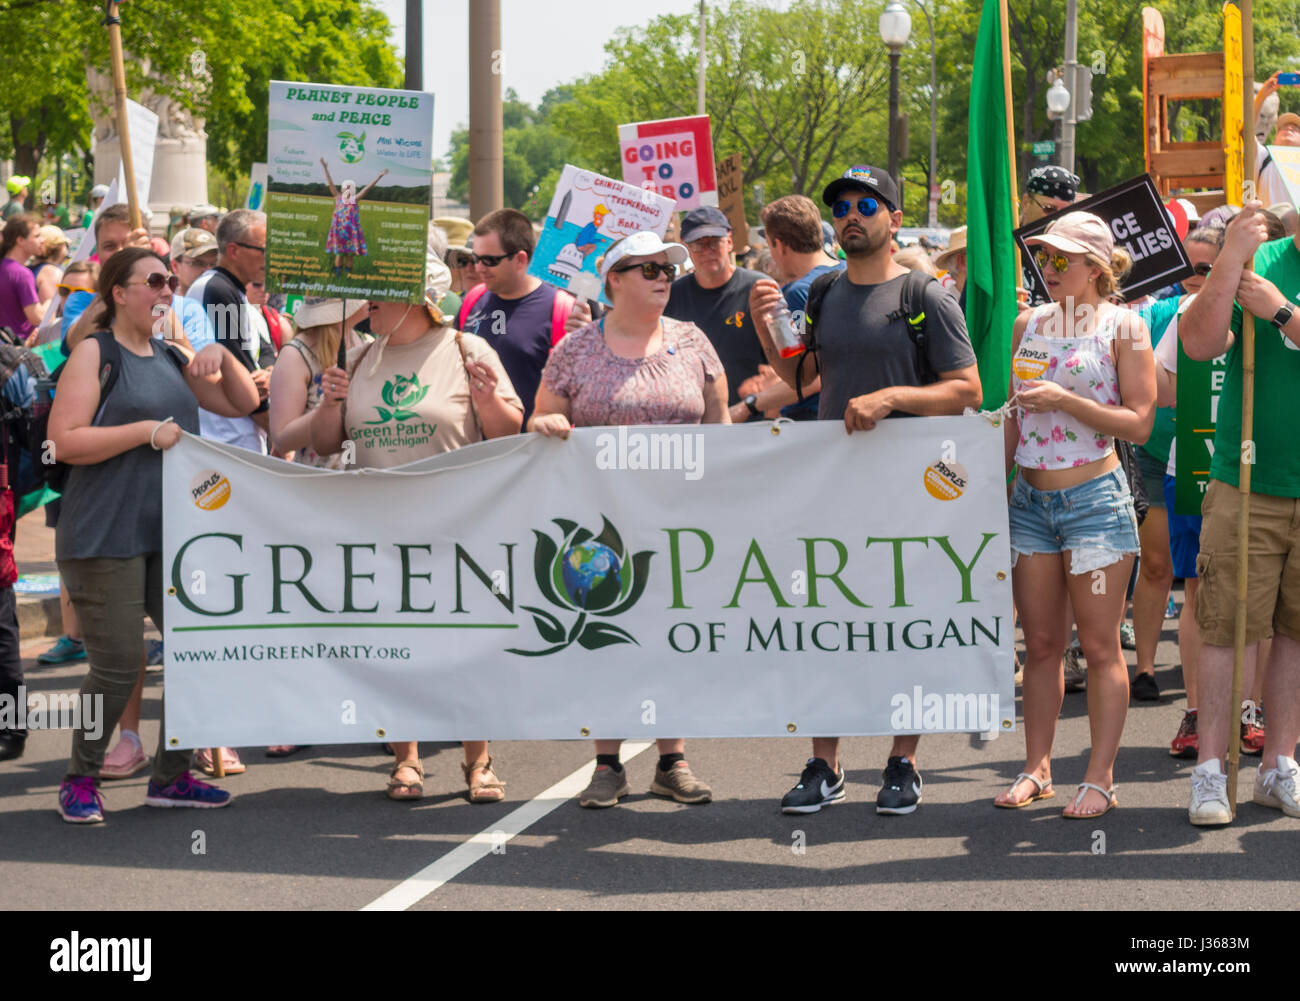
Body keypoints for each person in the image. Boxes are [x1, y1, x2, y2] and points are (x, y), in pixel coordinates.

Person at [750, 164, 982, 816]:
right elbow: (802, 382)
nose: (851, 214)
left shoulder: (925, 296)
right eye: (842, 206)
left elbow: (969, 391)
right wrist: (768, 328)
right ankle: (825, 763)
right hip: (834, 488)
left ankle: (902, 760)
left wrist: (891, 398)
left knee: (904, 626)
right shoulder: (822, 291)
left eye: (866, 204)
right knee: (831, 625)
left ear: (893, 218)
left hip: (911, 491)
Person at [49, 246, 260, 822]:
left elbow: (244, 402)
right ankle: (80, 778)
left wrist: (219, 352)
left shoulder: (172, 353)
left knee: (201, 652)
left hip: (173, 532)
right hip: (103, 533)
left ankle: (172, 776)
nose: (168, 291)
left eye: (171, 282)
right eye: (155, 282)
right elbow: (63, 440)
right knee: (118, 663)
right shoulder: (95, 352)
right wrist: (144, 431)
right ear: (119, 293)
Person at [310, 259, 523, 802]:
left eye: (376, 292)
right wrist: (329, 403)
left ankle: (479, 763)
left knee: (466, 650)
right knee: (394, 647)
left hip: (464, 526)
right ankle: (406, 758)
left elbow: (509, 432)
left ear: (416, 298)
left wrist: (487, 400)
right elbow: (326, 444)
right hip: (380, 528)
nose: (365, 302)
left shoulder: (466, 350)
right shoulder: (357, 358)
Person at [530, 230, 728, 808]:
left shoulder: (692, 341)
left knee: (672, 636)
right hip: (599, 524)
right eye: (647, 269)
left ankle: (672, 759)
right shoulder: (575, 350)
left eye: (667, 268)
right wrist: (545, 426)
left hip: (680, 522)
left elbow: (718, 428)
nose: (663, 277)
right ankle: (607, 762)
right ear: (613, 278)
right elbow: (541, 418)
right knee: (606, 637)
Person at [994, 210, 1154, 818]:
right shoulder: (1027, 323)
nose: (1050, 267)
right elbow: (1013, 414)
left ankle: (1100, 776)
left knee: (1098, 644)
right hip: (1031, 503)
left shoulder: (1125, 326)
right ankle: (1037, 767)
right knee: (1039, 644)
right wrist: (991, 482)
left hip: (1094, 503)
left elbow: (1139, 421)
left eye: (1062, 258)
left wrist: (1067, 399)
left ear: (1094, 267)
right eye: (1045, 257)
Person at [1179, 201, 1300, 824]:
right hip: (1245, 480)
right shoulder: (1258, 258)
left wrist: (1280, 311)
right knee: (1225, 624)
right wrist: (1228, 257)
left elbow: (1280, 314)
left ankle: (1278, 763)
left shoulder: (1276, 284)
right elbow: (1198, 346)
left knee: (1294, 631)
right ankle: (1209, 771)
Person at [1130, 226, 1225, 705]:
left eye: (1207, 269)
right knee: (1158, 564)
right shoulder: (1159, 313)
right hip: (1161, 454)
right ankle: (1145, 668)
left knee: (1211, 575)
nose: (1195, 278)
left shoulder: (1242, 313)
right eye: (1187, 268)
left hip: (1218, 457)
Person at [457, 208, 589, 421]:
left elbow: (582, 388)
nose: (479, 268)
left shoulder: (562, 310)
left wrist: (587, 341)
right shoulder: (472, 300)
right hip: (477, 449)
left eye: (489, 260)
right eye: (475, 258)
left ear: (520, 259)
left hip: (536, 445)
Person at [740, 194, 844, 423]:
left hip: (812, 419)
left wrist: (747, 406)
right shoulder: (849, 272)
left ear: (780, 245)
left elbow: (799, 375)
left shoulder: (798, 292)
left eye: (770, 245)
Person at [186, 208, 274, 455]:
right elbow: (242, 374)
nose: (271, 258)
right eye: (265, 251)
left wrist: (269, 372)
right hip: (225, 441)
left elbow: (264, 352)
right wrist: (279, 434)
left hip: (238, 438)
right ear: (234, 251)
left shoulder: (234, 292)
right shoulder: (217, 291)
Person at [664, 206, 767, 412]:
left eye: (713, 243)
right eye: (698, 245)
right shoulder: (671, 296)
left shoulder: (759, 288)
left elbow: (786, 359)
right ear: (687, 249)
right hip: (694, 419)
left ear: (729, 242)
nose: (707, 251)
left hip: (752, 417)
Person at [320, 159, 388, 276]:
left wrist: (379, 177)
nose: (347, 190)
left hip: (351, 233)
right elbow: (330, 182)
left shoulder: (354, 199)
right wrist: (325, 168)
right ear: (342, 189)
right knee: (339, 255)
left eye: (349, 188)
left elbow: (367, 189)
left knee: (350, 256)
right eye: (345, 187)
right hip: (339, 233)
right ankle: (338, 275)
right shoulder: (337, 197)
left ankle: (348, 276)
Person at [0, 215, 43, 341]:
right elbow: (36, 317)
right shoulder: (22, 274)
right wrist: (52, 301)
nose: (43, 240)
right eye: (36, 236)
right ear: (20, 240)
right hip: (19, 347)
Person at [30, 225, 69, 309]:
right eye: (66, 245)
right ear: (59, 247)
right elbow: (49, 313)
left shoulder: (28, 268)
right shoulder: (51, 273)